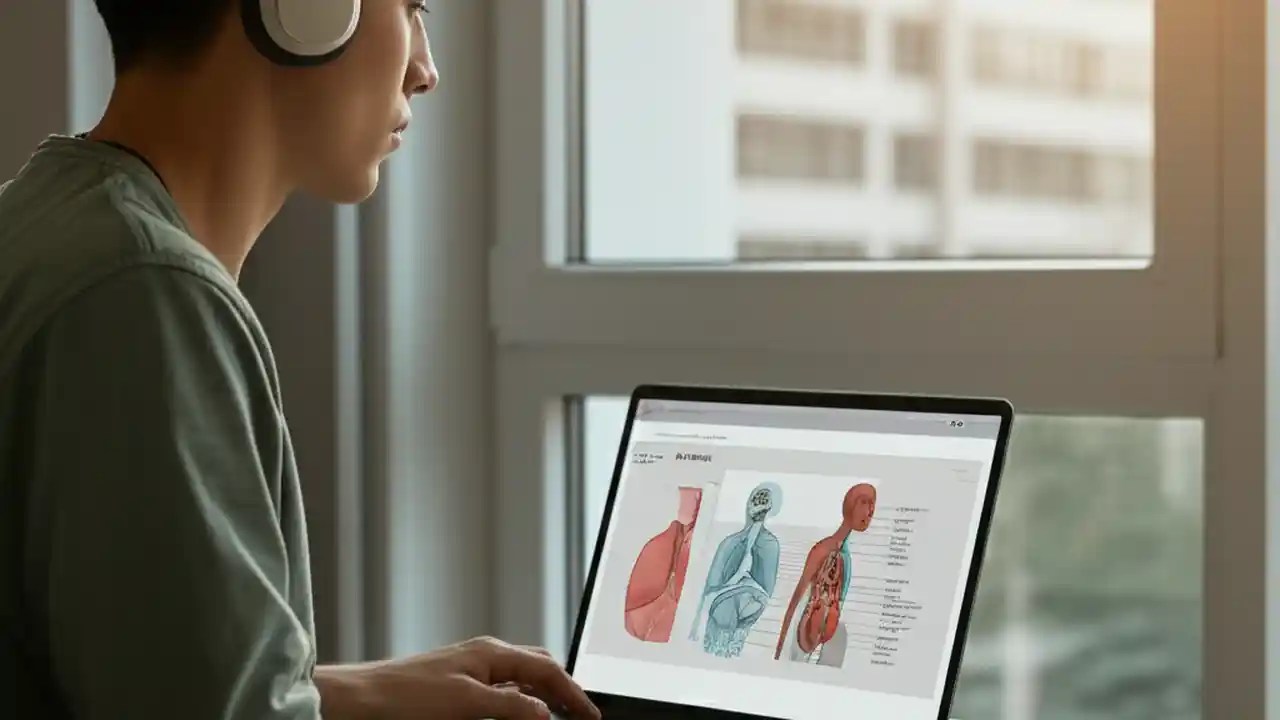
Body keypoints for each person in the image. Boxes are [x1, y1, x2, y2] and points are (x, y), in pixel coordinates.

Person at [0, 1, 599, 718]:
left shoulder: (48, 228)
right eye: (410, 8)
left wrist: (343, 694)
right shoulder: (144, 293)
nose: (425, 69)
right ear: (306, 11)